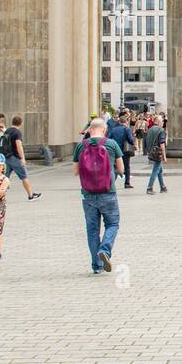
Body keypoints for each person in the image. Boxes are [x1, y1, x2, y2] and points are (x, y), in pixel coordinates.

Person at [72, 117, 124, 273]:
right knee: (113, 224)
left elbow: (75, 171)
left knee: (92, 229)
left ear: (89, 130)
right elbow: (121, 169)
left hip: (88, 194)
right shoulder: (111, 144)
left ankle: (96, 266)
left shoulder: (81, 146)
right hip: (108, 192)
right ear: (105, 129)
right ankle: (105, 250)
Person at [0, 116, 41, 200]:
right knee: (24, 176)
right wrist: (22, 158)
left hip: (6, 157)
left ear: (12, 122)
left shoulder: (7, 131)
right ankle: (30, 195)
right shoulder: (17, 132)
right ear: (20, 123)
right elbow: (18, 145)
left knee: (4, 178)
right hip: (15, 158)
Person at [107, 109, 136, 189]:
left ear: (119, 122)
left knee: (115, 167)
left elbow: (108, 138)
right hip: (125, 150)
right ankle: (127, 183)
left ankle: (111, 182)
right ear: (125, 122)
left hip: (115, 150)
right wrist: (134, 141)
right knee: (127, 167)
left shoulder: (113, 129)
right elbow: (130, 139)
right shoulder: (127, 129)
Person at [145, 114, 167, 193]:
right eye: (162, 121)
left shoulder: (150, 129)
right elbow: (162, 144)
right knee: (155, 169)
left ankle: (163, 186)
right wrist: (164, 156)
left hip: (151, 151)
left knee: (159, 169)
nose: (163, 122)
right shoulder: (161, 130)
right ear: (157, 121)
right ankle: (149, 187)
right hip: (158, 152)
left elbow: (145, 142)